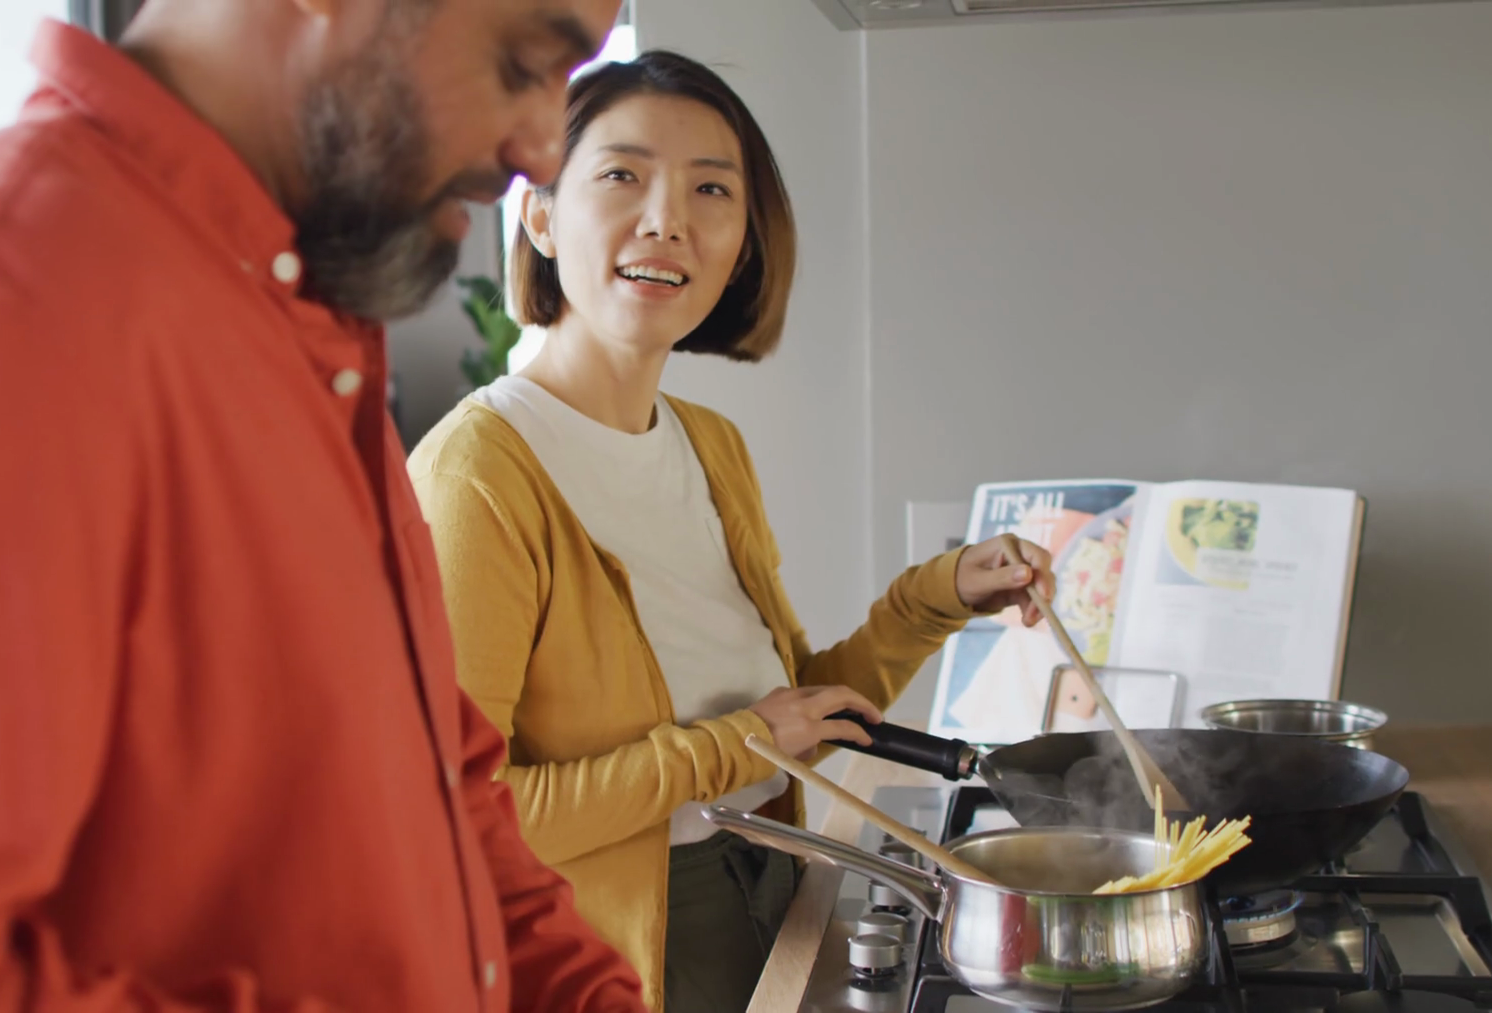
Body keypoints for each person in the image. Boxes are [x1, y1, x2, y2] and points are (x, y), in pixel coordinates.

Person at [0, 1, 648, 1011]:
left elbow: (441, 792)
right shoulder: (0, 309)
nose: (539, 144)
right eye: (522, 64)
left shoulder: (300, 314)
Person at [406, 52, 1054, 1013]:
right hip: (624, 946)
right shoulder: (480, 475)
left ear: (744, 239)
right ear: (539, 215)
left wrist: (939, 595)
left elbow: (798, 718)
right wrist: (737, 745)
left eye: (712, 188)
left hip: (769, 879)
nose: (668, 219)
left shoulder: (710, 447)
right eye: (622, 175)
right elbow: (459, 820)